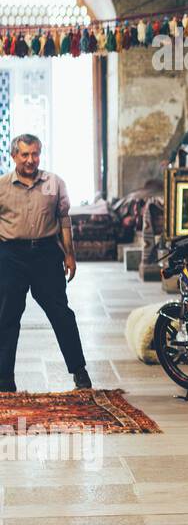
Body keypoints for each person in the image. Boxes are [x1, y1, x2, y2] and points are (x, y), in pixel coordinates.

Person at [0, 135, 91, 392]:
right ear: (14, 156)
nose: (31, 160)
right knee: (6, 317)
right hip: (11, 255)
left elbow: (64, 220)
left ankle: (79, 371)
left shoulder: (54, 182)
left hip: (46, 254)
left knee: (61, 313)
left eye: (35, 154)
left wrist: (70, 254)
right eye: (25, 155)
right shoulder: (2, 186)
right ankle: (4, 380)